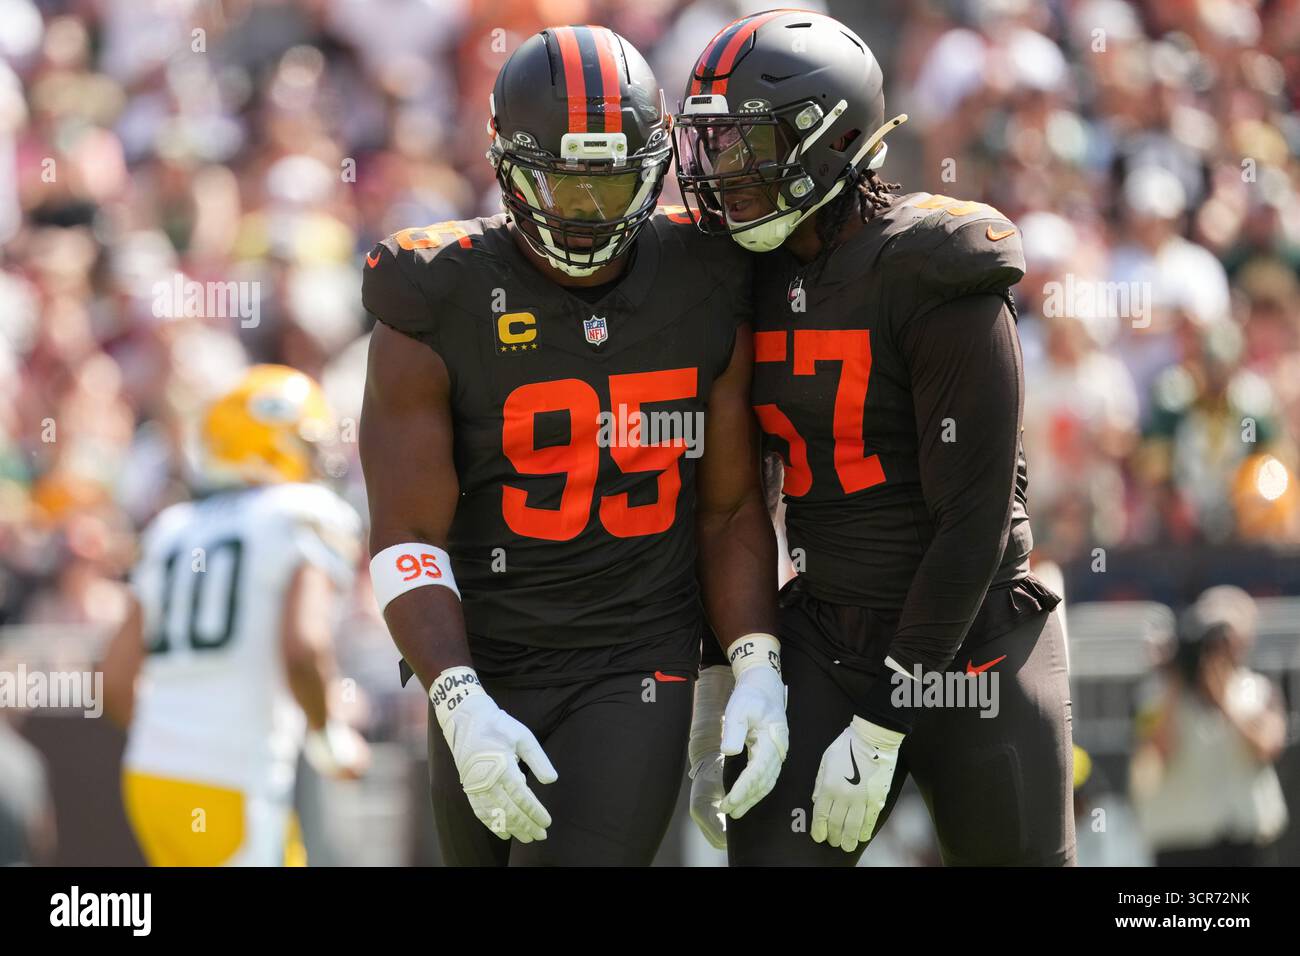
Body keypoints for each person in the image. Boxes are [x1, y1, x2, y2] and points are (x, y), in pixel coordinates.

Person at [359, 26, 786, 867]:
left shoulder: (704, 274)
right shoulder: (433, 292)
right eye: (567, 186)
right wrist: (455, 695)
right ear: (508, 166)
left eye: (615, 182)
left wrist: (753, 663)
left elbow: (731, 502)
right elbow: (409, 536)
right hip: (485, 656)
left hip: (634, 655)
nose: (591, 214)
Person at [674, 9, 1074, 865]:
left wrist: (888, 721)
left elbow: (974, 520)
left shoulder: (937, 261)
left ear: (834, 136)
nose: (721, 173)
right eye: (710, 145)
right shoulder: (741, 270)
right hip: (828, 631)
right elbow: (732, 498)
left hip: (972, 639)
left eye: (746, 146)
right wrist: (724, 672)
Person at [102, 365, 369, 866]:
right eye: (306, 441)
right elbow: (303, 647)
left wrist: (179, 734)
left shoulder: (172, 526)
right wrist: (329, 737)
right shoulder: (302, 511)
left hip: (149, 777)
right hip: (231, 780)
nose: (317, 457)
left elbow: (115, 681)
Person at [1131, 585, 1289, 866]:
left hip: (1246, 840)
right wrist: (1175, 680)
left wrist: (1224, 700)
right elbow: (1158, 753)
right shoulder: (1156, 695)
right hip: (1180, 841)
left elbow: (1267, 748)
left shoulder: (1258, 691)